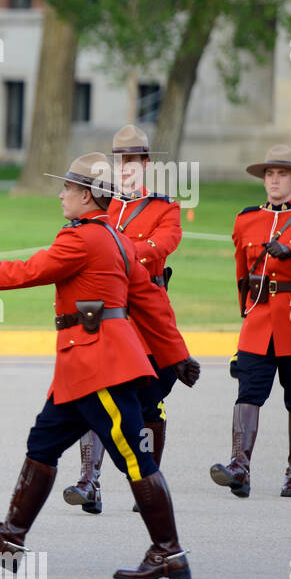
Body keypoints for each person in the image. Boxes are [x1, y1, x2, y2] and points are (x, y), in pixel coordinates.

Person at [0, 153, 201, 579]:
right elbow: (149, 300)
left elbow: (32, 270)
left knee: (133, 456)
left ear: (88, 196)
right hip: (83, 365)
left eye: (68, 189)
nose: (61, 194)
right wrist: (176, 355)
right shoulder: (116, 238)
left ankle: (168, 552)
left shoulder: (83, 238)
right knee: (42, 444)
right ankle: (11, 538)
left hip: (100, 364)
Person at [63, 124, 182, 514]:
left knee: (149, 406)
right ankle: (88, 480)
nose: (126, 167)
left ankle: (146, 482)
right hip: (106, 314)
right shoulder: (103, 206)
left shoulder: (166, 208)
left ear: (147, 165)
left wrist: (111, 249)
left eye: (132, 160)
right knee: (94, 393)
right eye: (119, 160)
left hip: (145, 317)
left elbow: (159, 247)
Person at [210, 146, 291, 499]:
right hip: (260, 317)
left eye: (282, 174)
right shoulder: (246, 219)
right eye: (269, 174)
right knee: (248, 390)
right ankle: (239, 466)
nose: (274, 180)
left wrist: (290, 251)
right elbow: (240, 271)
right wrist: (245, 308)